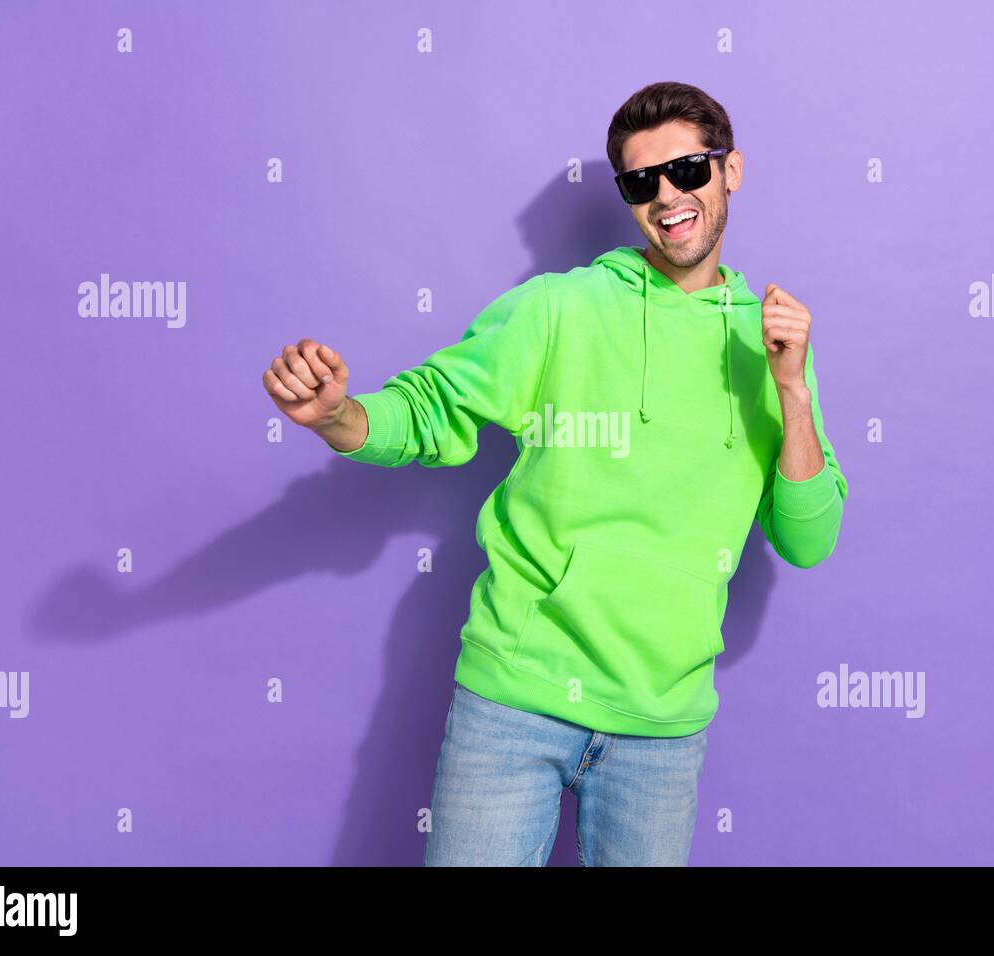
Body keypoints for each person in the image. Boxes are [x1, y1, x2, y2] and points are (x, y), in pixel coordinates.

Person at [261, 81, 849, 866]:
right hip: (513, 700)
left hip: (661, 728)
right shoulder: (558, 308)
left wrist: (792, 391)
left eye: (688, 171)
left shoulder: (774, 344)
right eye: (643, 182)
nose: (668, 196)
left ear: (730, 170)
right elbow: (434, 407)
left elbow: (808, 540)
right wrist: (338, 414)